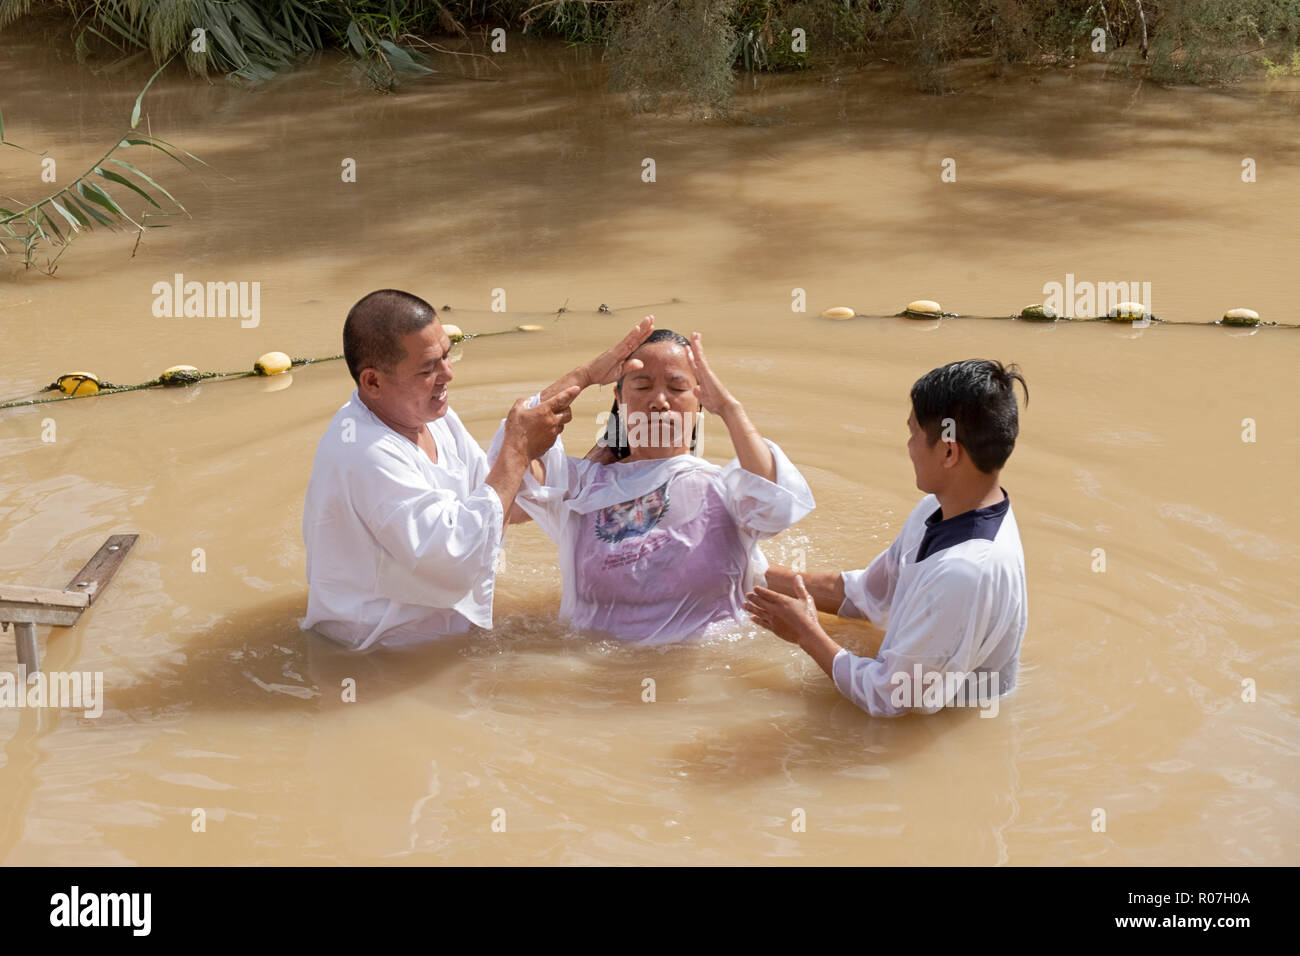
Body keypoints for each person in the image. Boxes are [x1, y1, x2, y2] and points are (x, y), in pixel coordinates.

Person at [300, 289, 651, 650]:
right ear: (373, 382)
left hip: (441, 635)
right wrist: (517, 447)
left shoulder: (431, 418)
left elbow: (499, 502)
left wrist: (585, 376)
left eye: (447, 357)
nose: (447, 375)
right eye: (428, 368)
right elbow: (454, 556)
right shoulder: (363, 452)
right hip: (383, 654)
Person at [492, 328, 815, 643]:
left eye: (677, 388)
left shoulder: (725, 488)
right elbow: (509, 465)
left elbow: (778, 506)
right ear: (619, 397)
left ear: (700, 397)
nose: (660, 402)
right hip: (596, 682)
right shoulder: (583, 487)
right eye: (642, 386)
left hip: (711, 680)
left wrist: (730, 409)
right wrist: (584, 375)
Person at [745, 359, 1029, 716]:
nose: (909, 446)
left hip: (937, 736)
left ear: (948, 451)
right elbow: (869, 595)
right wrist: (750, 571)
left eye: (913, 433)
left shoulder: (965, 571)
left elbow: (895, 697)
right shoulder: (936, 510)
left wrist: (806, 634)